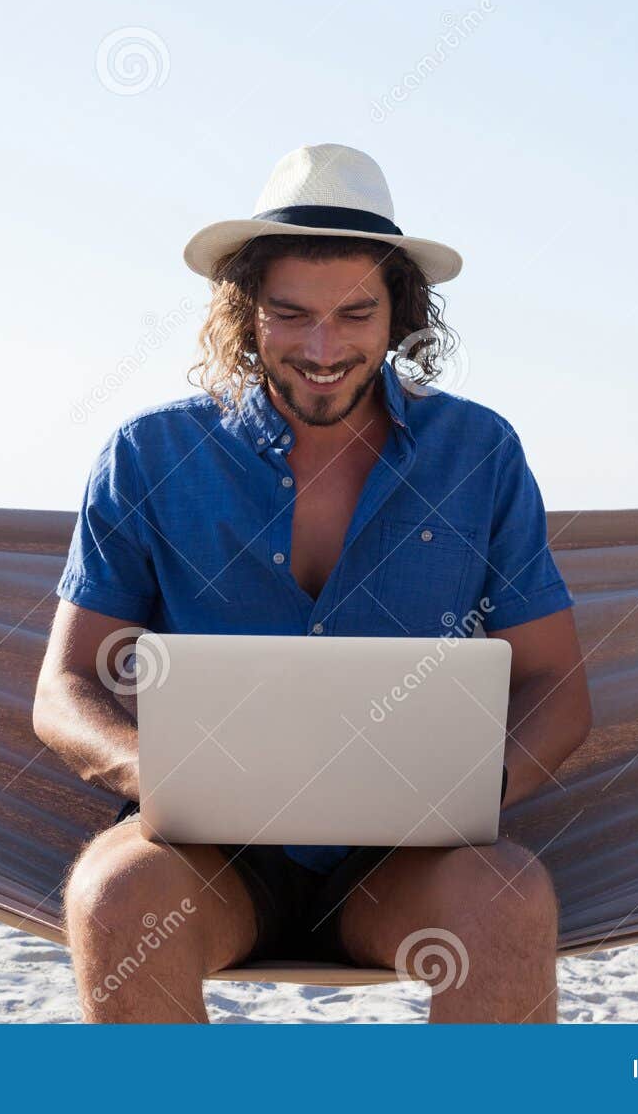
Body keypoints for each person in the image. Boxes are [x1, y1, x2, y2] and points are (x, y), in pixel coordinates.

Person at [33, 144, 592, 1023]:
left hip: (404, 862)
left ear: (400, 314)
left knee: (509, 898)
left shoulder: (478, 455)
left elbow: (556, 686)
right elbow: (64, 687)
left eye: (356, 314)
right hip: (210, 856)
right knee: (114, 894)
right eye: (291, 315)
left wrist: (466, 798)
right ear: (245, 313)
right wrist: (161, 774)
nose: (323, 348)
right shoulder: (152, 456)